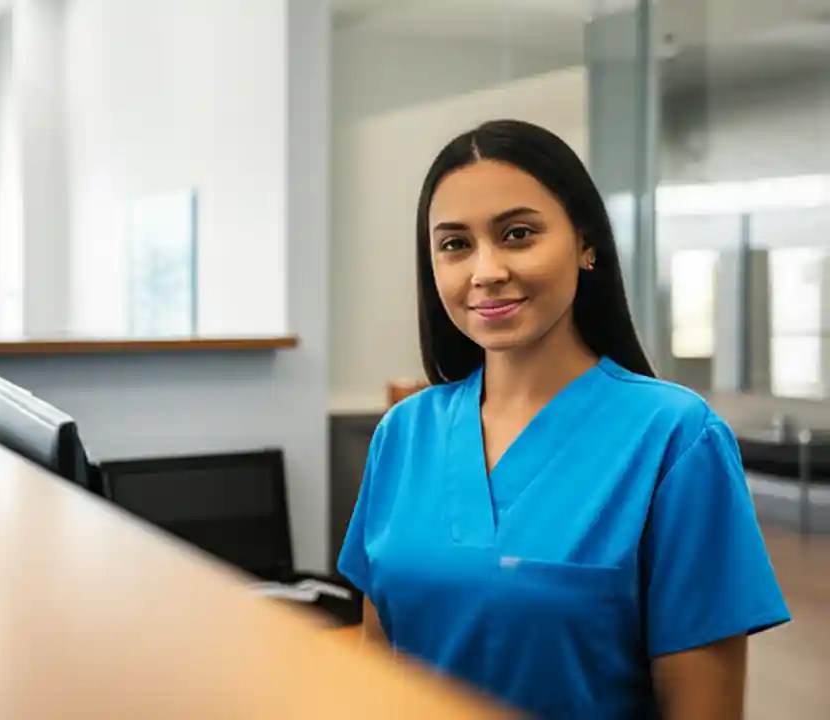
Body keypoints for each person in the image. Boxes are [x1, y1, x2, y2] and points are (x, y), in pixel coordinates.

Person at [338, 119, 790, 719]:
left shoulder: (675, 438)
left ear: (585, 242)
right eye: (455, 245)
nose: (486, 270)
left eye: (518, 234)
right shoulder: (404, 432)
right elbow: (376, 670)